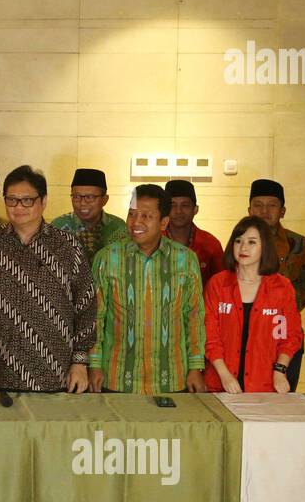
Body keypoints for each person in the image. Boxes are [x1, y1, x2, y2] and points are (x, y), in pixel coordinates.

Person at [0, 165, 96, 393]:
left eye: (27, 200)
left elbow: (86, 307)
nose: (18, 207)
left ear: (43, 201)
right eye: (12, 200)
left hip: (54, 371)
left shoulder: (67, 247)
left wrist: (79, 362)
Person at [89, 184, 207, 393]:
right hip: (116, 378)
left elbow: (194, 316)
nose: (136, 222)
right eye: (132, 214)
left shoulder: (185, 260)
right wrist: (95, 364)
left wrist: (196, 366)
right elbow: (96, 317)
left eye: (146, 216)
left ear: (164, 222)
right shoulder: (108, 258)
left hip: (171, 378)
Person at [203, 216, 303, 394]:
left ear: (264, 246)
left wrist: (280, 371)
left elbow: (290, 336)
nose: (243, 248)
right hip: (220, 383)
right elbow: (210, 337)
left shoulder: (282, 288)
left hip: (265, 385)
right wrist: (224, 375)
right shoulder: (218, 284)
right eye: (238, 241)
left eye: (252, 242)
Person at [247, 178, 305, 389]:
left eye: (272, 205)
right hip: (248, 333)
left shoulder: (299, 243)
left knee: (283, 397)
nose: (264, 211)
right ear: (249, 209)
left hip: (286, 333)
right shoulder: (239, 242)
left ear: (283, 211)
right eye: (258, 205)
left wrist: (282, 310)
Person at [51, 168, 127, 264]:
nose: (82, 203)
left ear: (105, 199)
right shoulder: (58, 226)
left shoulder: (118, 227)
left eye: (89, 197)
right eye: (76, 197)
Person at [163, 179, 224, 287]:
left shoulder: (210, 244)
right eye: (173, 205)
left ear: (195, 209)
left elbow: (221, 285)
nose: (178, 211)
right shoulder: (154, 241)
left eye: (185, 205)